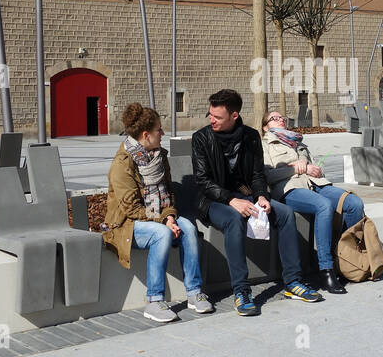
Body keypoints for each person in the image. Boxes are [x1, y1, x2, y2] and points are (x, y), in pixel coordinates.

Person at [191, 89, 321, 317]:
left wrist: (262, 195)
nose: (212, 120)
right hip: (213, 201)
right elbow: (203, 182)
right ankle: (241, 291)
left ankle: (293, 281)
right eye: (210, 115)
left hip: (247, 195)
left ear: (234, 115)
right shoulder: (201, 138)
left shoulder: (250, 137)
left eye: (217, 117)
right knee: (234, 219)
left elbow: (257, 175)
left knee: (284, 213)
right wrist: (231, 200)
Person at [103, 103, 211, 323]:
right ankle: (154, 301)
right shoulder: (122, 165)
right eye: (159, 130)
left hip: (159, 215)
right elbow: (130, 209)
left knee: (188, 227)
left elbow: (169, 193)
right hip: (126, 224)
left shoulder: (159, 156)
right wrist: (164, 220)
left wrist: (169, 216)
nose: (162, 134)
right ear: (146, 135)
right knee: (161, 233)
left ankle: (194, 291)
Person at [261, 110, 364, 295]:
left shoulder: (298, 142)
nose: (280, 120)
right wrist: (293, 170)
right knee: (324, 205)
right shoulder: (265, 144)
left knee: (354, 203)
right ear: (265, 126)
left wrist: (315, 170)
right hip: (290, 188)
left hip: (315, 183)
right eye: (273, 118)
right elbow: (267, 175)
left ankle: (344, 258)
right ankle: (326, 270)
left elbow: (316, 168)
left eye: (281, 117)